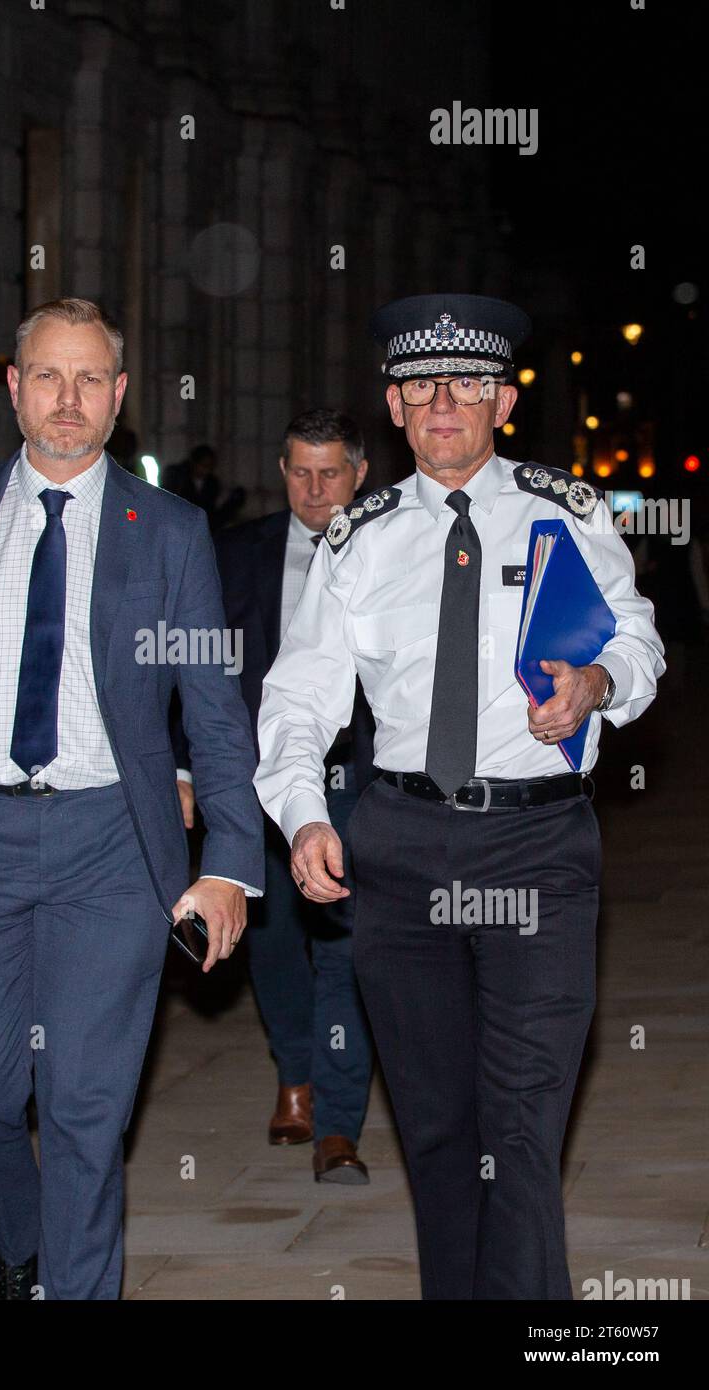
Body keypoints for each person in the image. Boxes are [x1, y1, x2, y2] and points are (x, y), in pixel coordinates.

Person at [0, 297, 264, 1301]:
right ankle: (27, 1245)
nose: (67, 400)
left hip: (109, 844)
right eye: (46, 376)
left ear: (118, 398)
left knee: (83, 1107)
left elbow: (213, 709)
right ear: (13, 387)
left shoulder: (167, 533)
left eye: (89, 379)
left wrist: (230, 863)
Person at [254, 294, 664, 1299]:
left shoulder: (565, 512)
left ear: (504, 400)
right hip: (397, 844)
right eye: (420, 387)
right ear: (392, 408)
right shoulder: (356, 537)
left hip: (534, 848)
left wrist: (593, 685)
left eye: (468, 385)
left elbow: (636, 638)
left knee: (520, 1127)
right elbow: (299, 693)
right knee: (437, 1134)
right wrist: (304, 812)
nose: (444, 404)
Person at [181, 409, 377, 1182]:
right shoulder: (235, 555)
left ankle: (336, 1122)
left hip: (360, 781)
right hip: (256, 783)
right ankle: (293, 1072)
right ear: (282, 471)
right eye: (300, 471)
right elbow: (194, 674)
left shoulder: (392, 550)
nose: (315, 488)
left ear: (359, 474)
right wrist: (186, 770)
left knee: (345, 946)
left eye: (331, 472)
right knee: (271, 944)